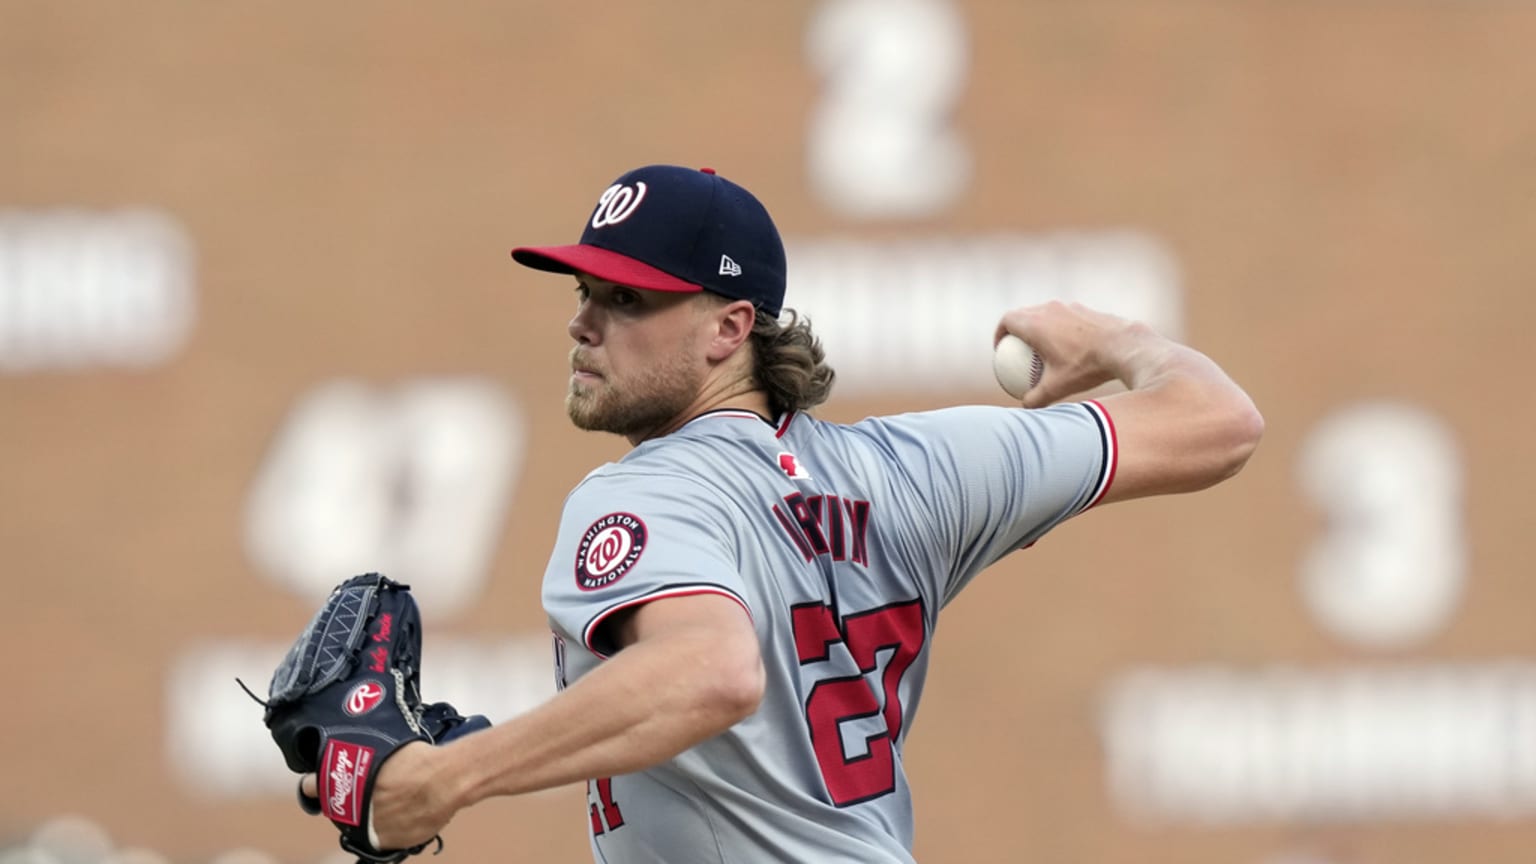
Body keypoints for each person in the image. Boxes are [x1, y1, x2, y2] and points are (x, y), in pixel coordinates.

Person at [303, 164, 1264, 862]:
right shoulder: (916, 470)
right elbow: (1218, 422)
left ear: (731, 328)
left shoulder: (642, 492)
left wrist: (446, 780)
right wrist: (1114, 338)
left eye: (629, 298)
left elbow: (713, 672)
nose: (583, 321)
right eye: (586, 289)